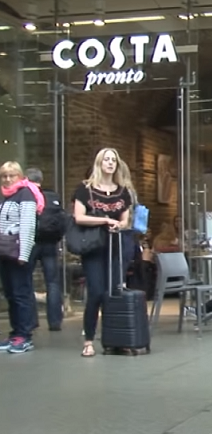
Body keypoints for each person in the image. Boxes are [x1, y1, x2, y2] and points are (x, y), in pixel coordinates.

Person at [73, 148, 133, 358]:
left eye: (113, 160)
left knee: (113, 293)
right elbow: (79, 217)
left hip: (114, 246)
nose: (110, 163)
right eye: (106, 160)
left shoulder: (122, 191)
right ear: (99, 163)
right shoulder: (85, 189)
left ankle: (114, 339)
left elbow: (126, 219)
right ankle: (89, 339)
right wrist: (105, 220)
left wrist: (120, 225)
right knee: (96, 292)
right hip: (93, 247)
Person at [0, 162, 43, 353]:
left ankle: (25, 335)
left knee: (21, 293)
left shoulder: (25, 194)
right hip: (4, 253)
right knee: (10, 294)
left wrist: (24, 254)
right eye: (4, 176)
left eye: (12, 175)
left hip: (18, 252)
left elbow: (27, 225)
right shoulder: (3, 195)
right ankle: (15, 332)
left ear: (19, 176)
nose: (8, 179)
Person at [25, 167, 65, 332]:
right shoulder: (52, 196)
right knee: (53, 283)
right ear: (41, 180)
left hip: (31, 242)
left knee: (27, 281)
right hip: (50, 244)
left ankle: (31, 320)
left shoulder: (26, 195)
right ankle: (55, 322)